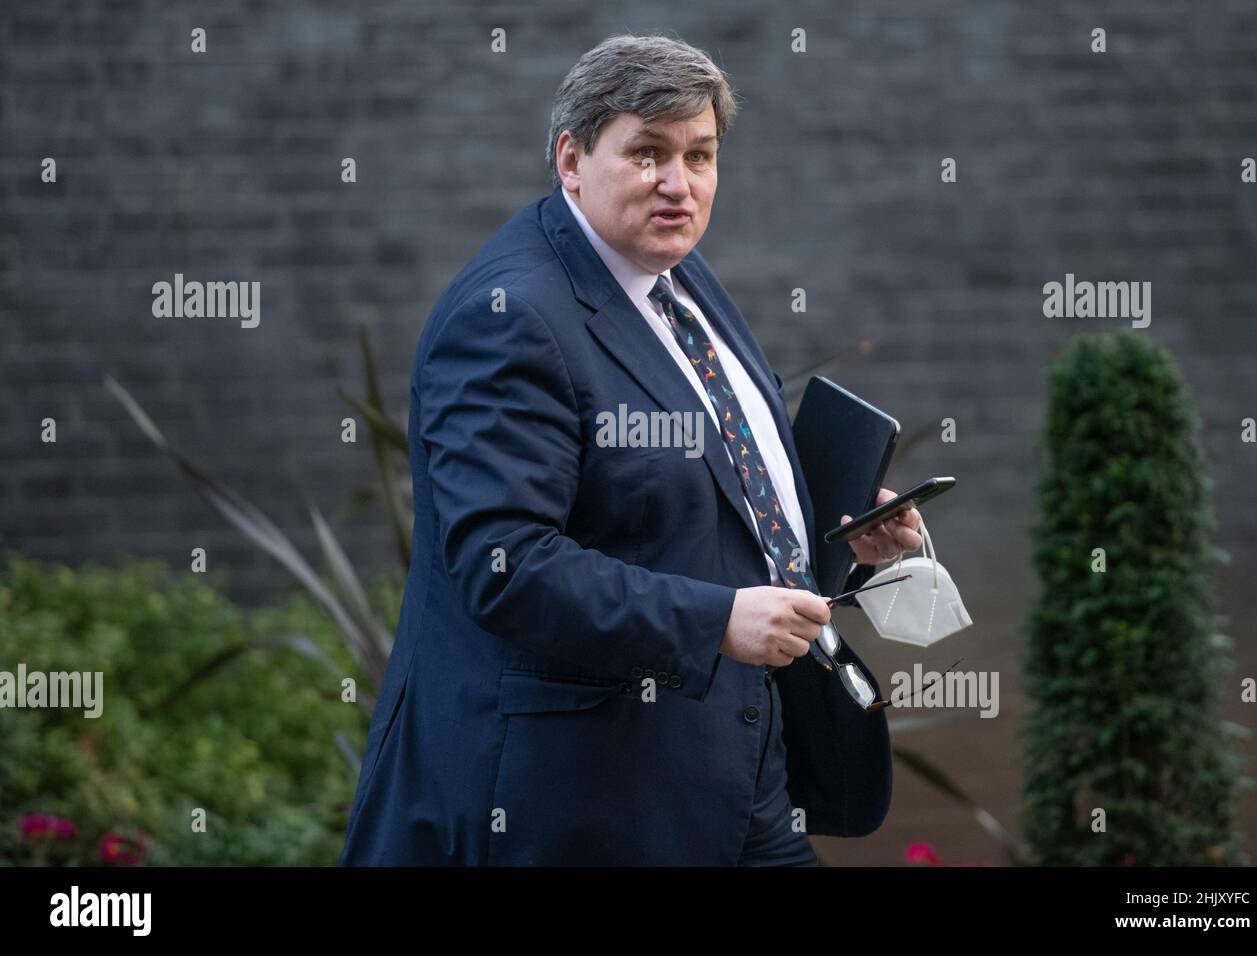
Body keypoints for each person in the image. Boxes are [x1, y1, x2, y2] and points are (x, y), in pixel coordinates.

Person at [339, 33, 923, 867]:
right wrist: (717, 619)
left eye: (700, 154)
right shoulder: (509, 320)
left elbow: (714, 491)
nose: (679, 185)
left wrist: (841, 545)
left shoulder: (674, 272)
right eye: (647, 152)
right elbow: (505, 563)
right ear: (572, 158)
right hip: (582, 798)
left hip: (734, 767)